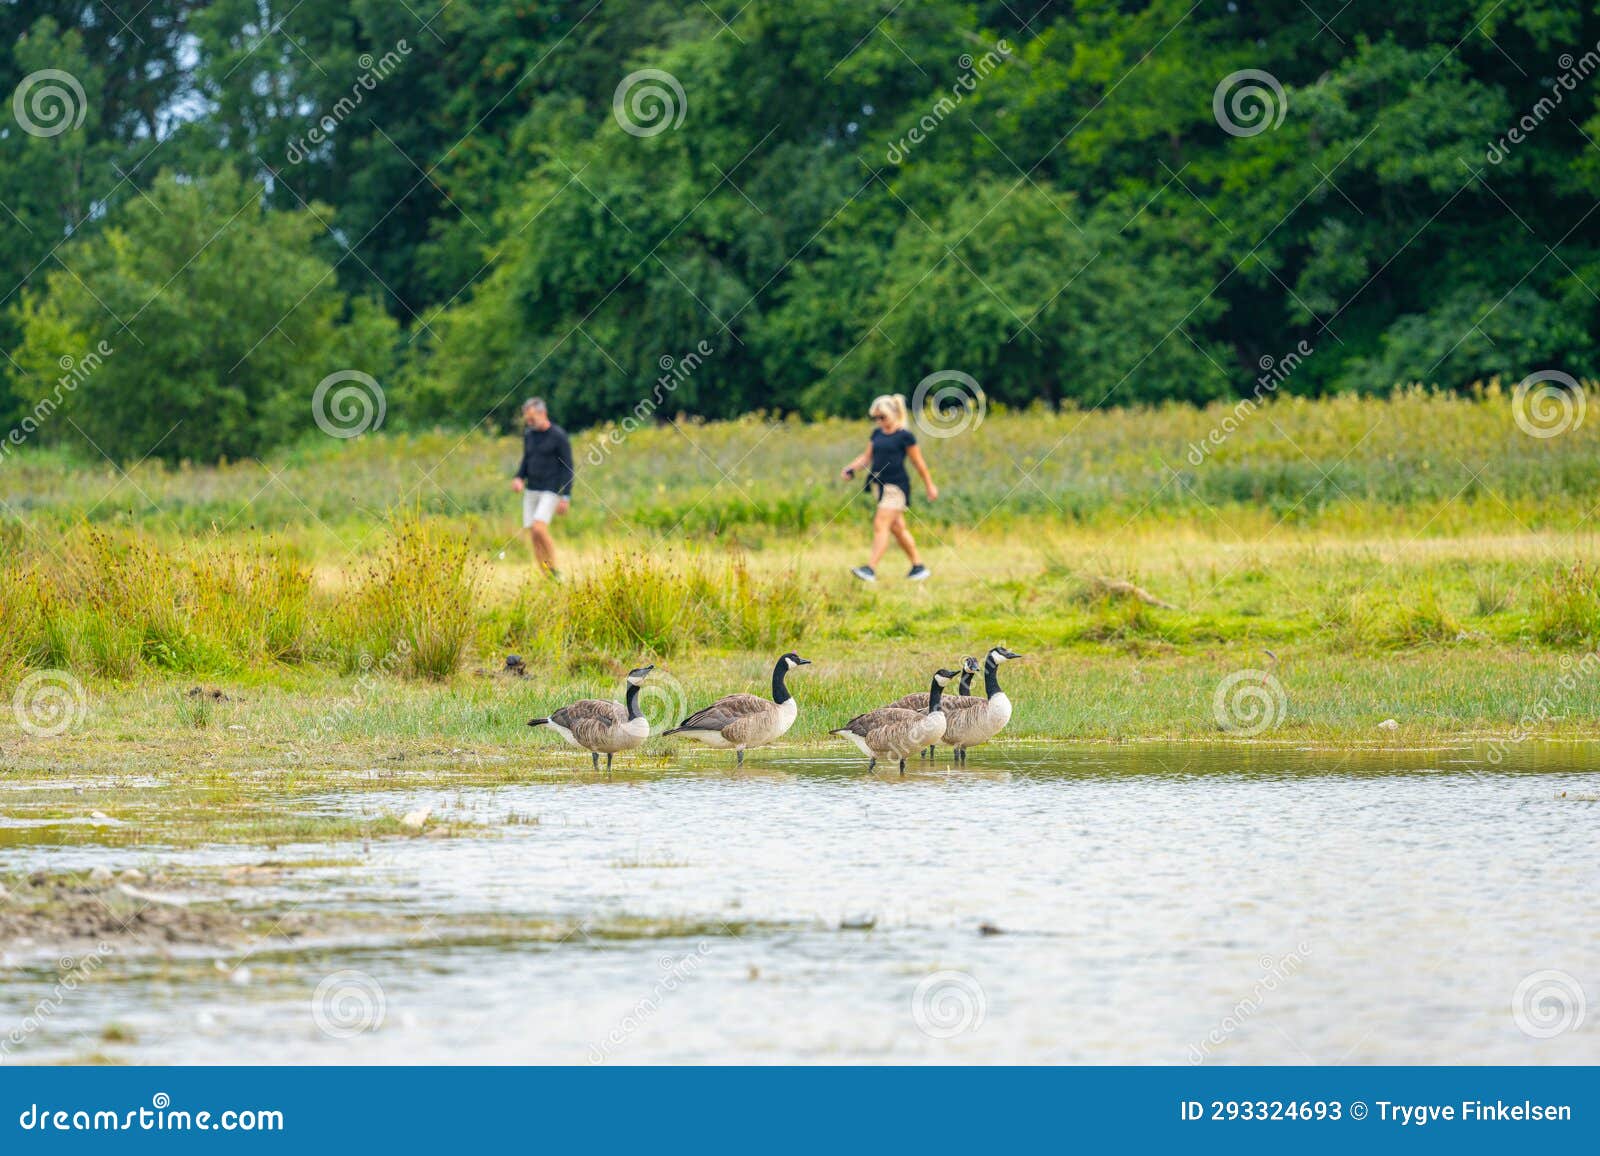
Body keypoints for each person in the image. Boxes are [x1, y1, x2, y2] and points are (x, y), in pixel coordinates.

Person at [840, 393, 937, 582]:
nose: (879, 421)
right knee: (898, 528)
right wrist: (850, 468)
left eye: (882, 417)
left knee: (881, 523)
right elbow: (867, 458)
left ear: (894, 413)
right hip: (879, 486)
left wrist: (930, 486)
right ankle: (918, 567)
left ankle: (870, 569)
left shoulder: (905, 437)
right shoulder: (876, 434)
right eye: (876, 418)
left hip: (897, 487)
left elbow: (919, 463)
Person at [511, 398, 573, 576]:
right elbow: (526, 460)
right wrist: (518, 478)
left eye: (532, 418)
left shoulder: (559, 436)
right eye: (527, 419)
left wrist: (566, 496)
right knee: (533, 535)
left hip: (550, 489)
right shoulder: (529, 435)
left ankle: (555, 568)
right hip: (532, 488)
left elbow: (568, 467)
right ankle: (547, 575)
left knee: (539, 528)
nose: (529, 422)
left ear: (543, 413)